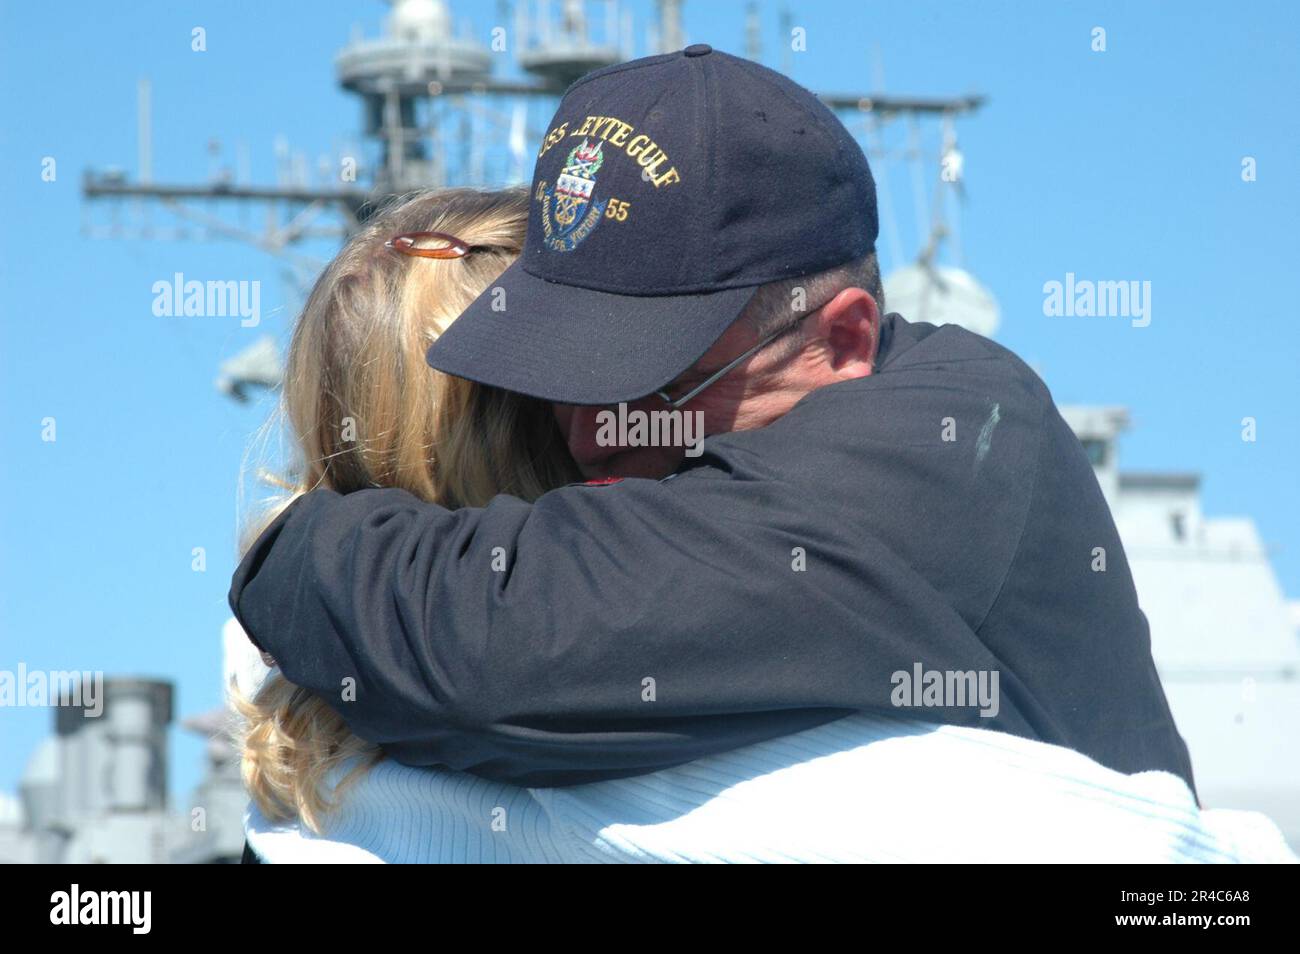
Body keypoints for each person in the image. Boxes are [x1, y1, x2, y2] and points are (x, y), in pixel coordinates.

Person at [230, 46, 1198, 798]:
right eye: (559, 378)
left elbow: (496, 640)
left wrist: (295, 541)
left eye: (650, 385)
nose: (589, 433)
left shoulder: (941, 454)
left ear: (842, 340)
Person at [229, 185, 1294, 865]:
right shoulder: (740, 791)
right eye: (580, 380)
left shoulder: (312, 789)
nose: (613, 426)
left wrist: (294, 547)